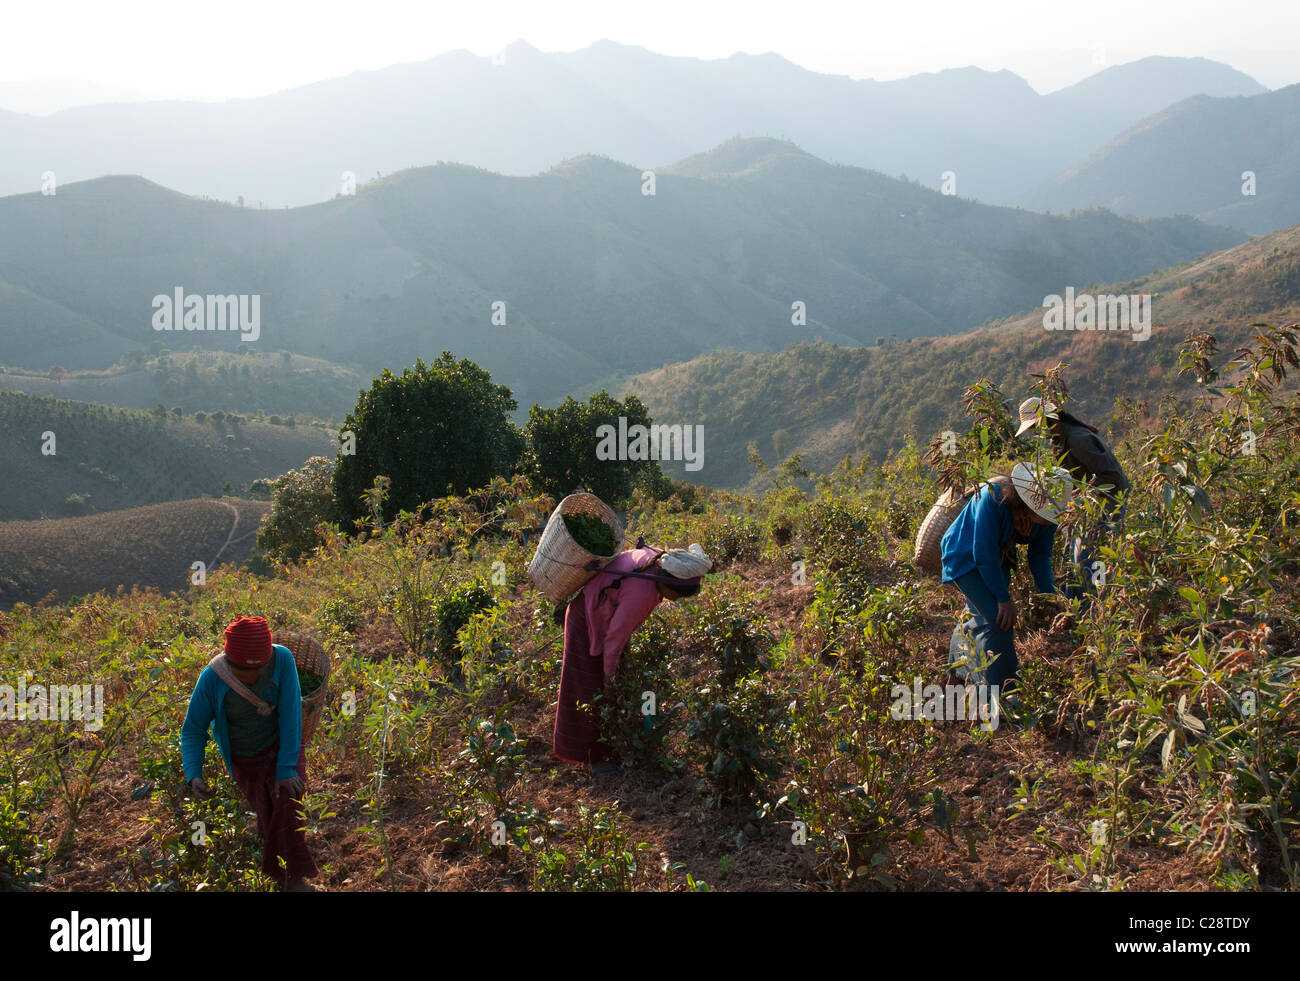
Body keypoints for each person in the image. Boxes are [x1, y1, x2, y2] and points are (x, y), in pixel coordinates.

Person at [181, 615, 319, 891]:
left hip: (284, 744)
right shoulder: (212, 678)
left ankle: (292, 878)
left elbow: (291, 714)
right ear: (231, 666)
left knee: (288, 798)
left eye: (260, 669)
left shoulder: (282, 659)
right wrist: (193, 773)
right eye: (246, 673)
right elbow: (193, 730)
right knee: (266, 810)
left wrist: (286, 768)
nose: (255, 677)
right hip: (246, 757)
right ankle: (276, 863)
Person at [553, 542, 711, 774]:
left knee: (616, 682)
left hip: (598, 614)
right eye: (676, 596)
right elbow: (614, 640)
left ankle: (615, 746)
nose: (675, 601)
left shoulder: (657, 559)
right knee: (588, 688)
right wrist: (609, 678)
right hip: (585, 623)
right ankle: (592, 758)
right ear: (668, 584)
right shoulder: (642, 594)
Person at [939, 463, 1073, 694]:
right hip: (964, 555)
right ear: (1029, 504)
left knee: (977, 613)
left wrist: (1049, 597)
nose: (1049, 519)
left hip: (997, 557)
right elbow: (982, 551)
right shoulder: (994, 497)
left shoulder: (1046, 522)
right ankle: (1003, 692)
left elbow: (1039, 556)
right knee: (999, 620)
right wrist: (1003, 599)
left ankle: (957, 675)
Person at [1015, 397, 1129, 598]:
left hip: (1107, 506)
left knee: (1092, 560)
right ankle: (1077, 610)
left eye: (1036, 427)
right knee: (1075, 560)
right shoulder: (1061, 441)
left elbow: (1112, 477)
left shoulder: (1078, 439)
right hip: (1088, 507)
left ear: (1048, 420)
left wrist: (1083, 494)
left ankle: (1098, 607)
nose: (1036, 432)